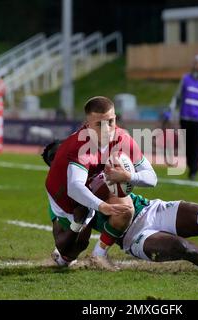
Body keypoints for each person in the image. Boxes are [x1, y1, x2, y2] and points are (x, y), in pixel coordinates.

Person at [44, 96, 158, 270]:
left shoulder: (122, 138)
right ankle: (64, 255)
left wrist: (128, 176)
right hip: (64, 194)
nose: (107, 129)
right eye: (99, 124)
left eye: (110, 121)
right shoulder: (79, 145)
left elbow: (152, 178)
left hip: (92, 184)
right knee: (71, 251)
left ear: (115, 119)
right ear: (87, 124)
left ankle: (99, 254)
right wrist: (102, 206)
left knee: (126, 210)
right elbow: (74, 188)